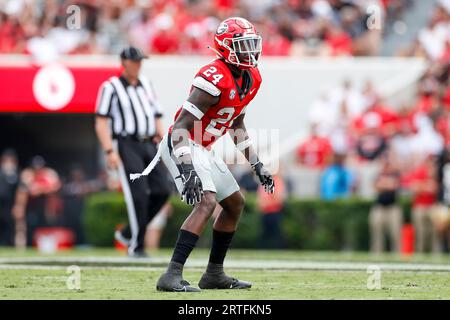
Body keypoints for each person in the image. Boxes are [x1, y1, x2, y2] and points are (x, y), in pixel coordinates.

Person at [131, 17, 274, 292]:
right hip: (181, 144)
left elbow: (236, 125)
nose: (250, 51)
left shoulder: (252, 78)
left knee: (234, 203)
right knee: (207, 202)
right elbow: (181, 127)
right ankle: (171, 274)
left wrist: (257, 164)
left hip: (203, 147)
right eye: (242, 46)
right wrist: (186, 167)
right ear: (226, 48)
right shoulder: (213, 76)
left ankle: (214, 274)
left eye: (251, 44)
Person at [95, 46, 171, 257]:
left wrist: (161, 138)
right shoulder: (110, 87)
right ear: (124, 62)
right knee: (137, 195)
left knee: (162, 191)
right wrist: (109, 150)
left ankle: (129, 232)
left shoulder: (146, 84)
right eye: (135, 61)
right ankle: (136, 246)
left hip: (149, 143)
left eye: (140, 61)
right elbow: (101, 121)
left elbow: (156, 114)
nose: (138, 65)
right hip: (127, 144)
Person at [369, 158, 403, 253]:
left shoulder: (396, 174)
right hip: (379, 207)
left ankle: (397, 253)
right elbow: (376, 186)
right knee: (377, 233)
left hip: (393, 207)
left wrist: (384, 183)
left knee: (395, 234)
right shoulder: (378, 175)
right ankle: (376, 253)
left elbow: (394, 185)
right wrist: (387, 184)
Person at [0, 149, 19, 246]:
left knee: (8, 225)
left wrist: (18, 205)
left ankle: (6, 244)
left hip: (9, 205)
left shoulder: (15, 174)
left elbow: (19, 191)